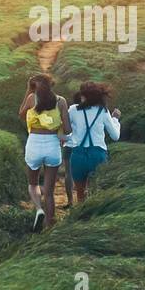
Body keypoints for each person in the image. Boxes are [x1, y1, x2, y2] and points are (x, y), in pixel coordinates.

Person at [18, 74, 71, 231]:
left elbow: (21, 114)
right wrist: (60, 128)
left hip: (34, 143)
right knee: (49, 192)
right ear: (51, 85)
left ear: (33, 87)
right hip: (52, 145)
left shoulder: (31, 99)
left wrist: (28, 91)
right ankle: (50, 224)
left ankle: (39, 209)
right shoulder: (61, 101)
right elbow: (68, 130)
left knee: (33, 184)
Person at [66, 81, 120, 203]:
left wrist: (71, 139)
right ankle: (95, 218)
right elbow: (115, 136)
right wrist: (115, 119)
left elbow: (64, 132)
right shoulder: (103, 111)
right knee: (97, 193)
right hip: (98, 155)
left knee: (80, 193)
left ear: (83, 95)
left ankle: (82, 218)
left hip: (78, 155)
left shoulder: (73, 110)